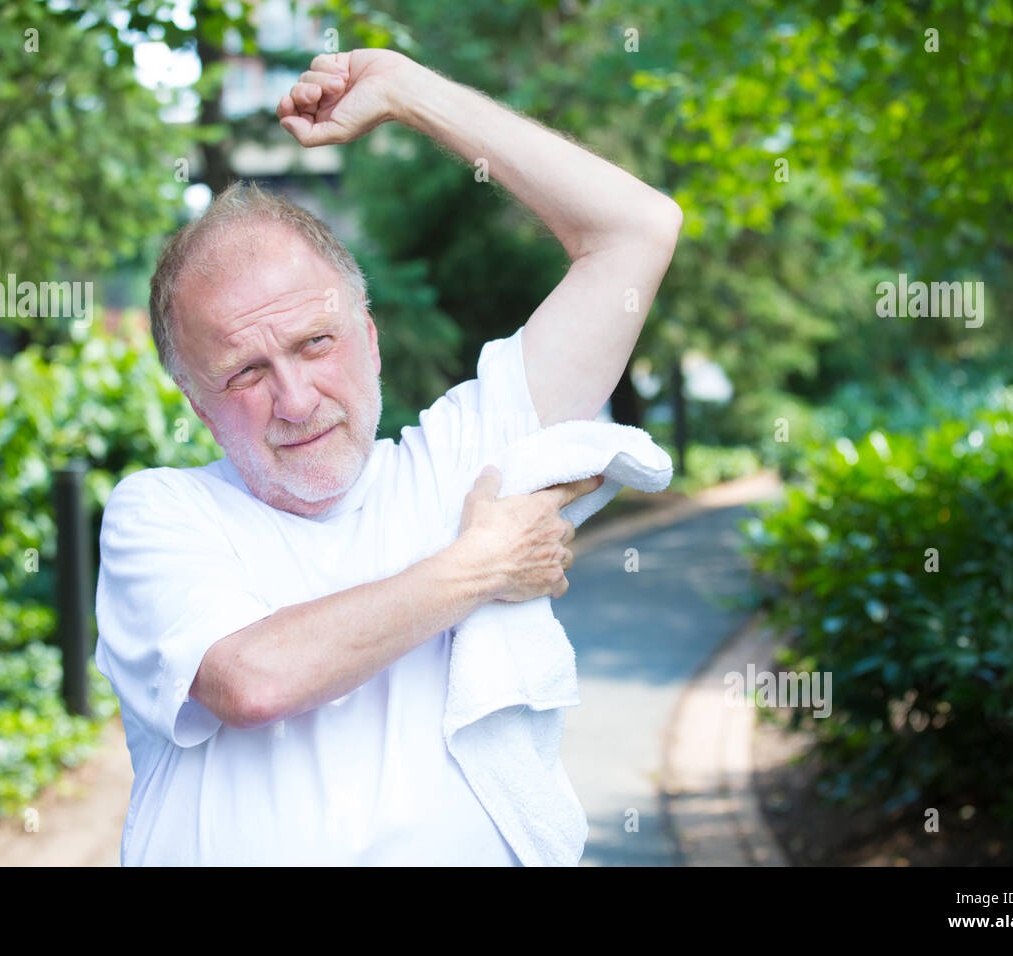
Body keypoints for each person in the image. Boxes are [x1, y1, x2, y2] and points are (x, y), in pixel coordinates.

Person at [95, 49, 682, 865]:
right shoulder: (161, 512)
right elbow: (250, 681)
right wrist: (481, 566)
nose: (295, 400)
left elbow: (636, 232)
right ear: (198, 403)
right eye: (246, 373)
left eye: (316, 342)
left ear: (369, 341)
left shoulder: (461, 457)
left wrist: (411, 92)